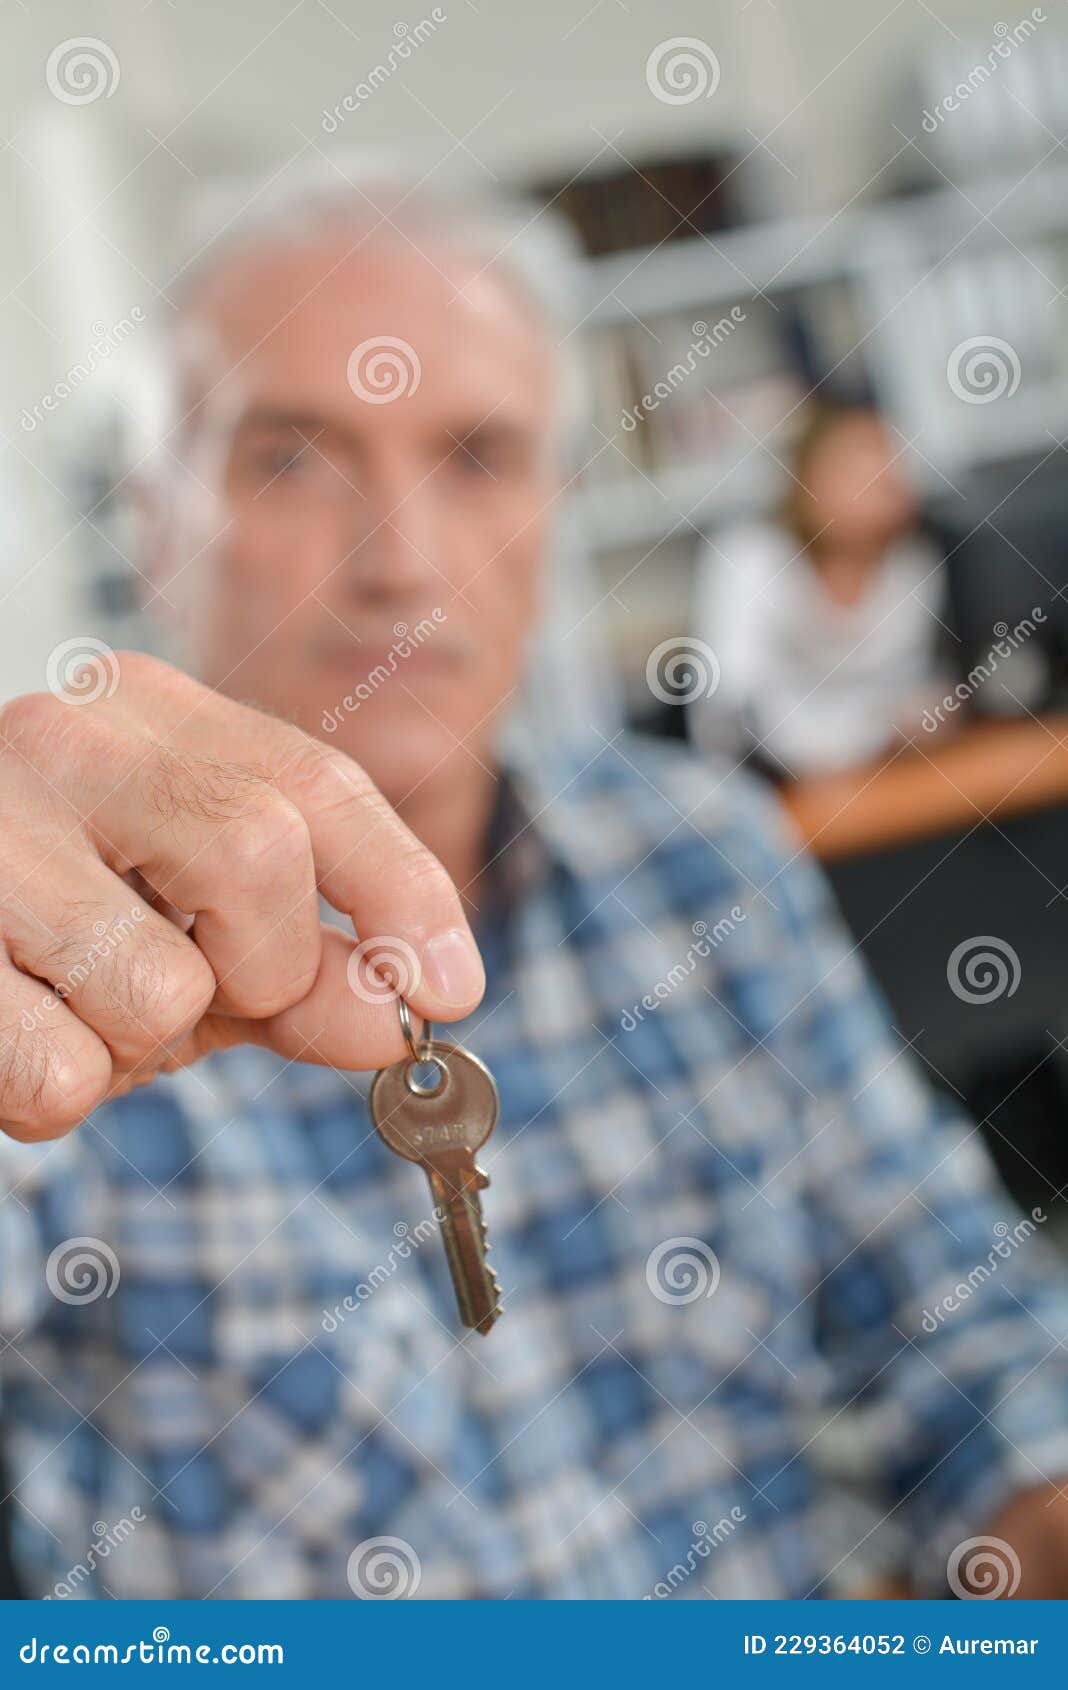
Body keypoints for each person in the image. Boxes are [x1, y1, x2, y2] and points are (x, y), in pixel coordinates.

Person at [1, 181, 1068, 1600]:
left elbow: (960, 1339)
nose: (401, 561)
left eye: (479, 458)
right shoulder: (48, 977)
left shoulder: (707, 863)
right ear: (154, 520)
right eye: (294, 458)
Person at [693, 403, 1068, 860]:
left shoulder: (931, 555)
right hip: (783, 815)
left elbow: (978, 678)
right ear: (805, 481)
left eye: (890, 468)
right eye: (856, 470)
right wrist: (861, 740)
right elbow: (727, 717)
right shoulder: (749, 559)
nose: (879, 485)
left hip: (909, 799)